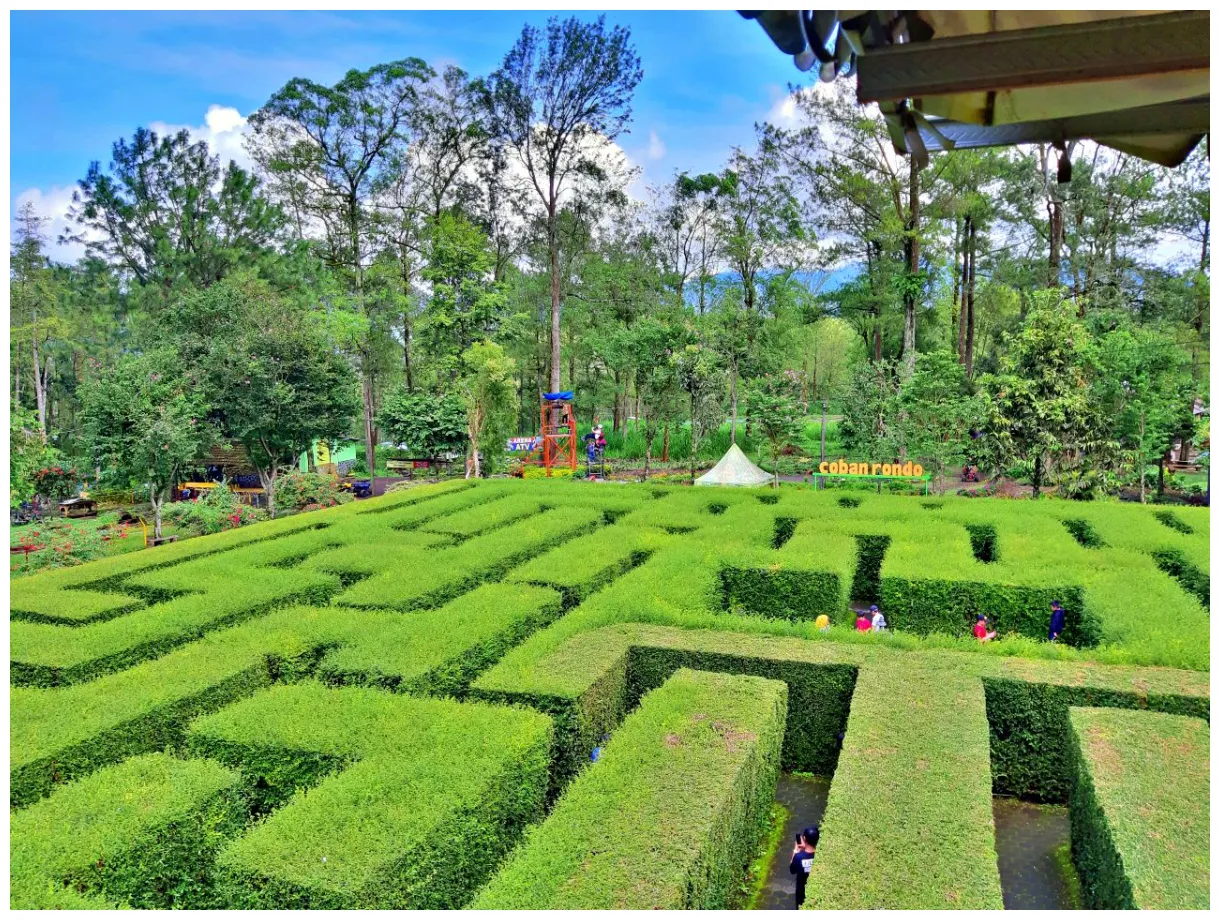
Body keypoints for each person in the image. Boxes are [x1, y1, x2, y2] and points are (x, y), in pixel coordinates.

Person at [789, 826, 819, 908]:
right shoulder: (820, 855)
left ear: (804, 838)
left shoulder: (799, 857)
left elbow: (792, 870)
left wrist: (796, 850)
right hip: (816, 888)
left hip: (801, 891)